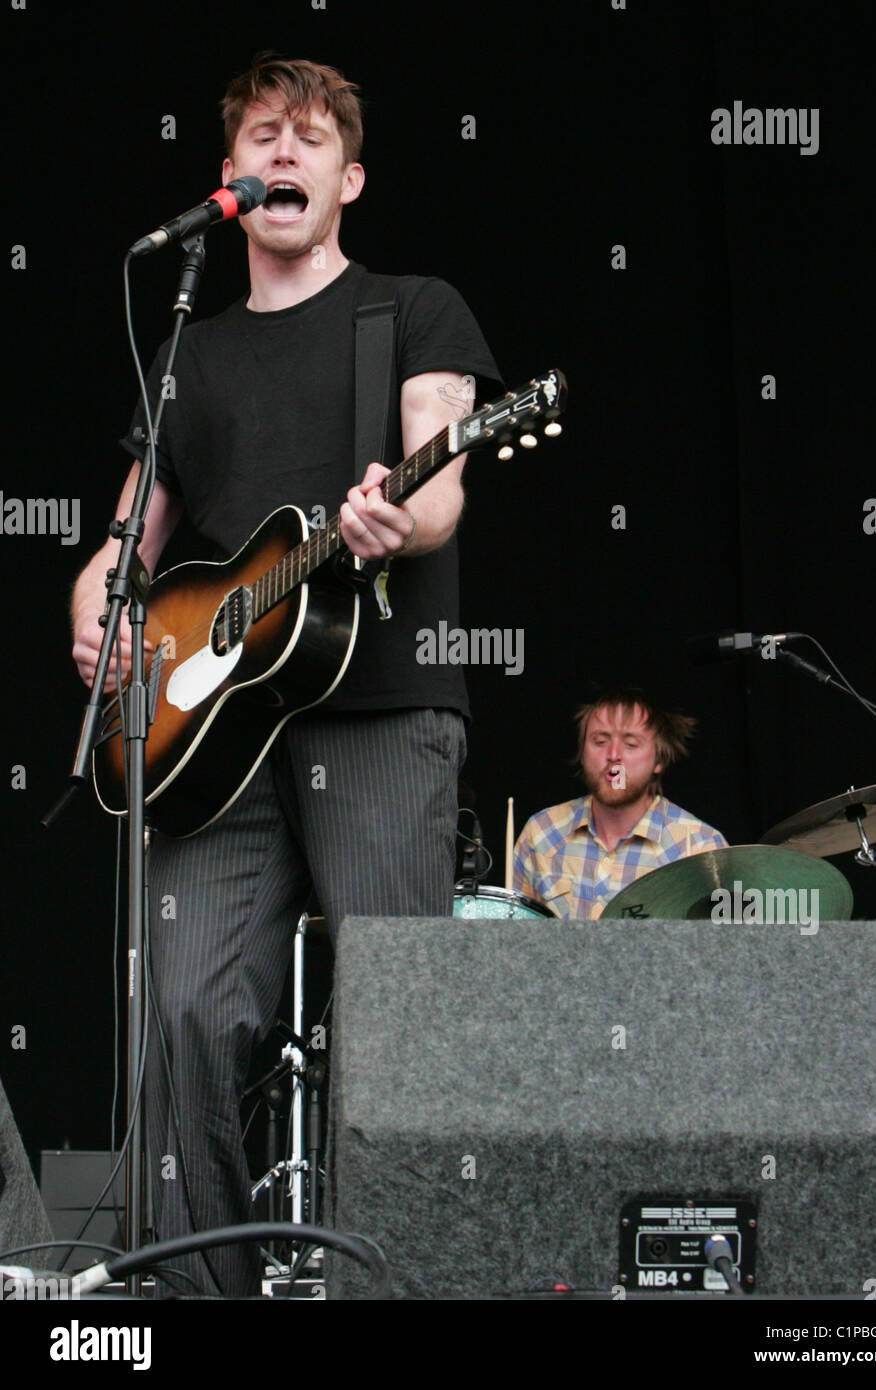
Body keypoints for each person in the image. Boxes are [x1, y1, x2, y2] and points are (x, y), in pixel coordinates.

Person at [70, 53, 502, 1296]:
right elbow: (124, 542)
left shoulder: (412, 310)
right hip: (209, 734)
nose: (285, 155)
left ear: (349, 178)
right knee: (187, 1019)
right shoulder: (190, 353)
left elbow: (445, 478)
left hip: (376, 704)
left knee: (391, 1026)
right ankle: (194, 1298)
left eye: (311, 140)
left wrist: (393, 518)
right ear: (228, 178)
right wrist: (97, 617)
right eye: (264, 136)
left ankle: (391, 1289)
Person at [513, 689, 727, 918]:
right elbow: (511, 937)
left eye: (630, 744)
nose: (613, 754)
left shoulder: (698, 846)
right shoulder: (541, 832)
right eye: (600, 741)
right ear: (583, 752)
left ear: (659, 760)